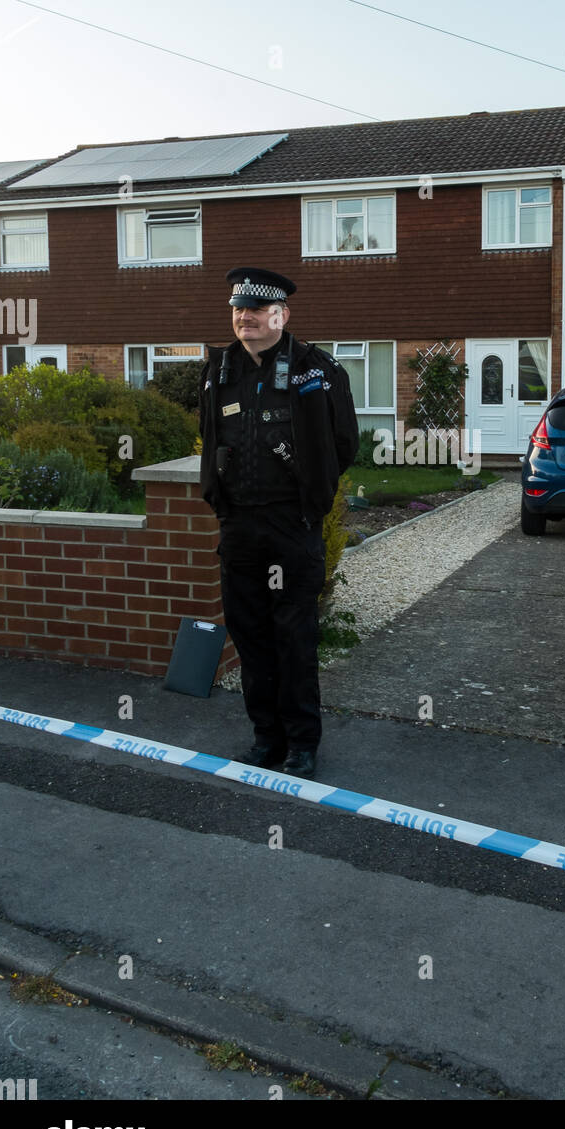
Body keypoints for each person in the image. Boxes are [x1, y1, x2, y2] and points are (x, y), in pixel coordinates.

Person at [199, 267, 359, 777]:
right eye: (238, 308)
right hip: (240, 528)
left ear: (281, 315)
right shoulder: (219, 369)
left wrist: (312, 498)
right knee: (250, 637)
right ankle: (265, 739)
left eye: (256, 309)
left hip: (291, 527)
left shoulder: (316, 370)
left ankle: (301, 745)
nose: (244, 316)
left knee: (294, 639)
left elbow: (344, 443)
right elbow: (211, 439)